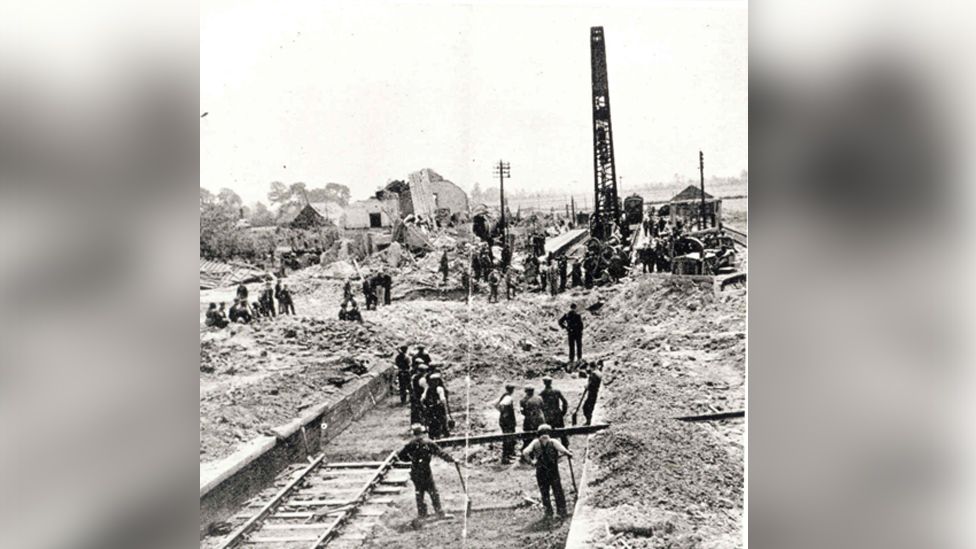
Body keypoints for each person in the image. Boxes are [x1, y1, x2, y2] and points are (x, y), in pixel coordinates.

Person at [398, 424, 458, 521]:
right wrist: (452, 460)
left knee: (419, 493)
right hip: (425, 470)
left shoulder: (410, 444)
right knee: (433, 491)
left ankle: (422, 515)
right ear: (423, 432)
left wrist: (412, 459)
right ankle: (439, 513)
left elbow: (400, 456)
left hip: (415, 470)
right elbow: (441, 453)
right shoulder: (428, 442)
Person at [522, 424, 573, 520]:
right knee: (557, 490)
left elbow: (525, 452)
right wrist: (568, 453)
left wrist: (532, 462)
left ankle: (548, 512)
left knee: (544, 492)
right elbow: (564, 451)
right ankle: (561, 511)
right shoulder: (553, 441)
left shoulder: (536, 442)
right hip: (552, 470)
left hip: (541, 470)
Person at [540, 376, 570, 448]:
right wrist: (563, 412)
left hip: (548, 415)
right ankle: (565, 447)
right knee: (562, 431)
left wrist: (543, 412)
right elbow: (565, 402)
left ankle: (549, 447)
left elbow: (540, 405)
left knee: (548, 432)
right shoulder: (557, 391)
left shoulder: (542, 393)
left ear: (544, 383)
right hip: (557, 413)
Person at [422, 373, 451, 439]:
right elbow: (443, 400)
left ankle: (434, 436)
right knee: (442, 421)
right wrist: (446, 411)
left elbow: (423, 398)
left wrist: (426, 406)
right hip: (438, 408)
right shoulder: (439, 388)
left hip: (431, 408)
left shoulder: (428, 388)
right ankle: (444, 434)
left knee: (433, 423)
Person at [495, 384, 517, 464]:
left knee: (508, 438)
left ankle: (508, 455)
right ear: (512, 390)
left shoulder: (504, 395)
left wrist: (501, 412)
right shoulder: (508, 397)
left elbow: (495, 404)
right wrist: (504, 413)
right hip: (507, 421)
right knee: (507, 439)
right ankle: (505, 458)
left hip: (504, 420)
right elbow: (501, 404)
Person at [519, 386, 545, 452]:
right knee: (540, 433)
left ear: (526, 391)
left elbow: (522, 412)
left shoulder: (523, 400)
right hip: (539, 418)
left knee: (527, 434)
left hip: (529, 419)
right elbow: (542, 407)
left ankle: (528, 449)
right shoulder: (539, 398)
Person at [582, 361, 604, 426]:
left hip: (592, 393)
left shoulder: (593, 374)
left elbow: (592, 384)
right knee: (590, 407)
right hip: (596, 392)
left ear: (591, 367)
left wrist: (587, 386)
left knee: (586, 407)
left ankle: (589, 421)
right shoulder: (599, 373)